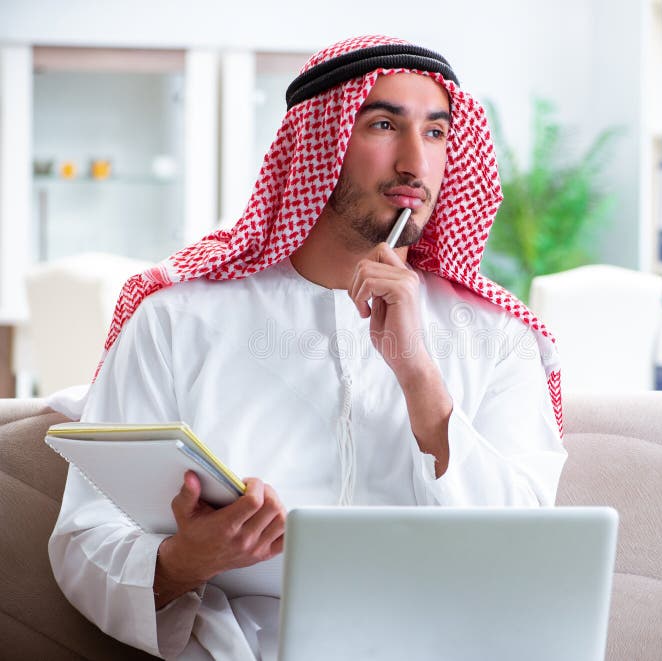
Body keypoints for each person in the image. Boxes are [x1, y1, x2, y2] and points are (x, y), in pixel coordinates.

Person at [48, 35, 567, 660]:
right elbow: (84, 537)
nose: (414, 163)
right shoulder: (178, 321)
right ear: (319, 143)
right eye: (383, 124)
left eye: (435, 132)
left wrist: (420, 382)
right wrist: (181, 563)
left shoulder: (498, 338)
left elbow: (536, 554)